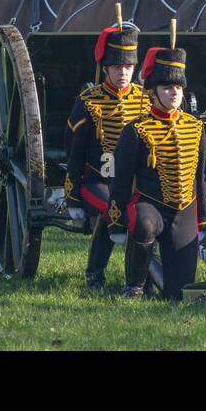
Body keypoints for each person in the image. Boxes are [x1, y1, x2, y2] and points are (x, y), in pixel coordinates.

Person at [108, 45, 206, 301]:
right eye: (167, 87)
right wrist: (116, 221)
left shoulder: (196, 127)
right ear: (152, 92)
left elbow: (201, 178)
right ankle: (134, 286)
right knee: (143, 225)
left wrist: (205, 221)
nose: (174, 93)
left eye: (178, 87)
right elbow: (121, 181)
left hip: (184, 211)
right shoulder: (136, 130)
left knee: (179, 295)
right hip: (150, 205)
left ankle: (153, 274)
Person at [63, 25, 150, 292]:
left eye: (128, 67)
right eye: (116, 66)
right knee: (114, 208)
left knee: (141, 216)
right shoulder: (88, 101)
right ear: (105, 67)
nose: (122, 72)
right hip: (96, 179)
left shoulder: (146, 100)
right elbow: (74, 152)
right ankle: (94, 274)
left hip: (134, 180)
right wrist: (73, 196)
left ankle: (141, 280)